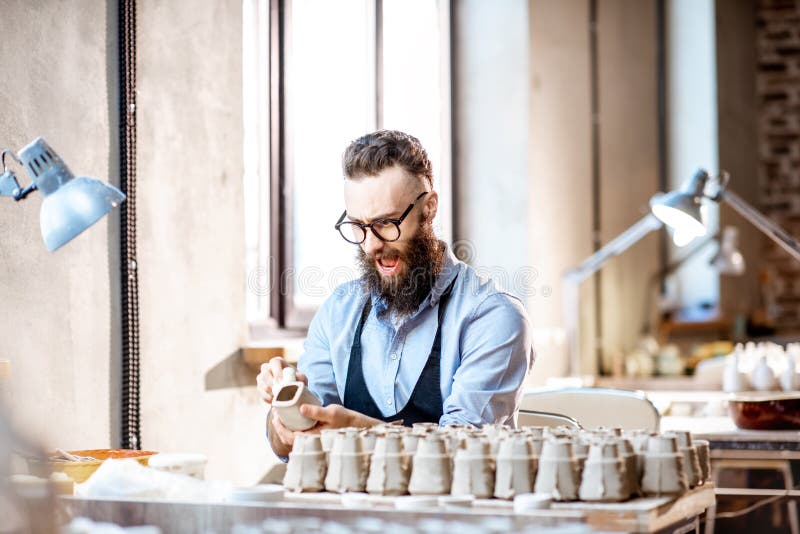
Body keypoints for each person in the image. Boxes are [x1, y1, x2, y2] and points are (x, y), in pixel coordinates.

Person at [257, 130, 534, 459]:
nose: (371, 244)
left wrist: (364, 435)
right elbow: (289, 444)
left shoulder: (492, 317)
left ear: (429, 208)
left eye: (386, 223)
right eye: (358, 226)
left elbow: (463, 452)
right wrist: (284, 417)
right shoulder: (338, 313)